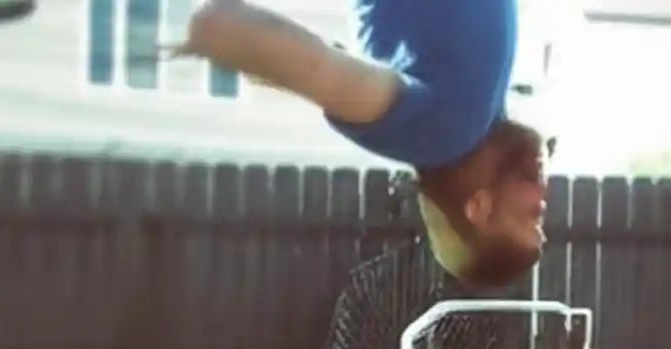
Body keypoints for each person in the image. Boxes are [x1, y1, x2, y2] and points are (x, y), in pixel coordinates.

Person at [170, 0, 551, 290]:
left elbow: (326, 74)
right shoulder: (481, 122)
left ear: (480, 207)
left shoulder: (442, 134)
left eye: (532, 217)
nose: (543, 200)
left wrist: (221, 34)